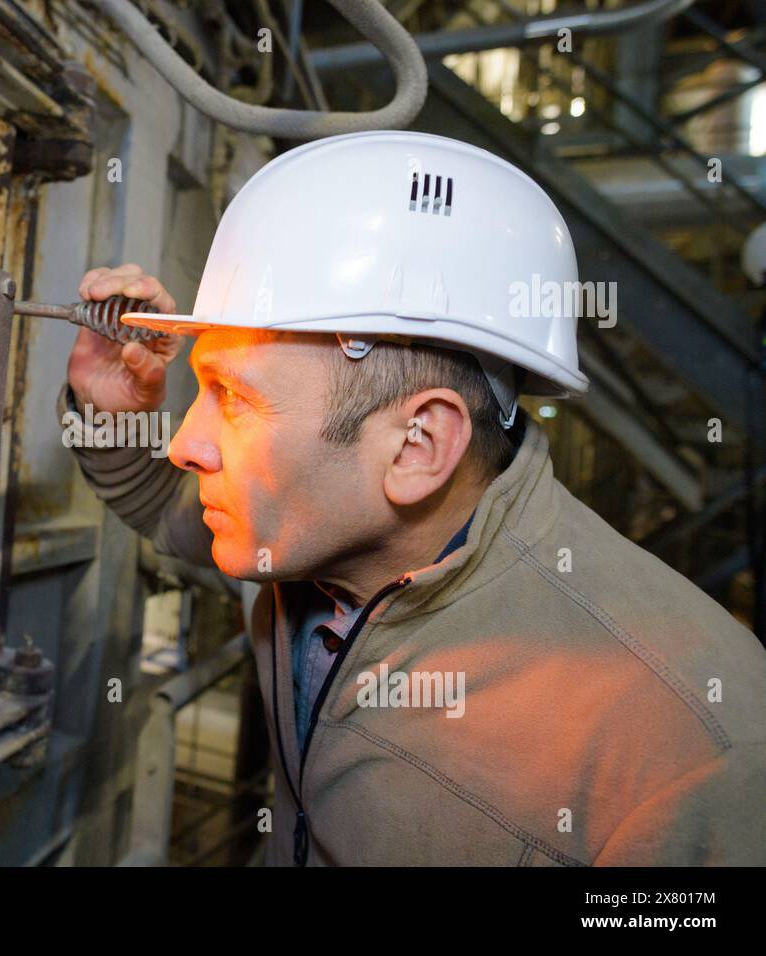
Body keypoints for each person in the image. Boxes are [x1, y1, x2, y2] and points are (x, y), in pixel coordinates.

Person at [59, 130, 766, 866]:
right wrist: (115, 409)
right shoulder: (315, 536)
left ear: (417, 445)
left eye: (234, 399)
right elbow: (173, 516)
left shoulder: (696, 749)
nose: (184, 443)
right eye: (202, 387)